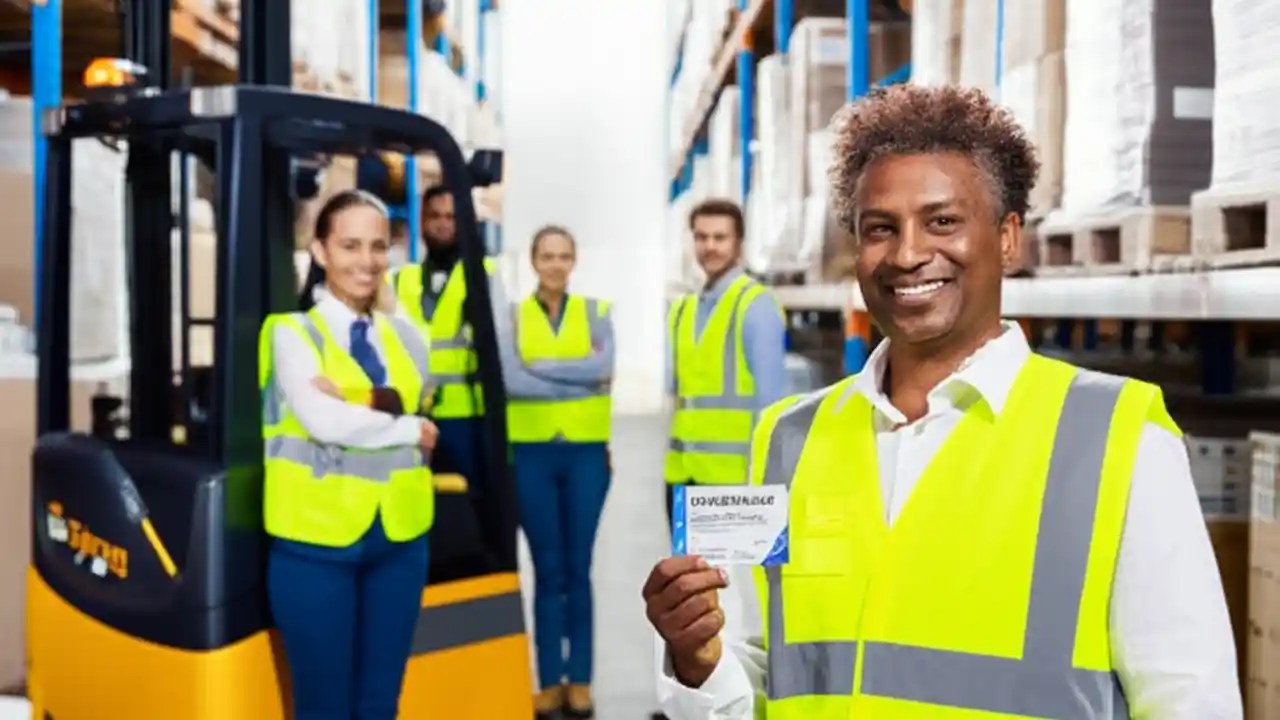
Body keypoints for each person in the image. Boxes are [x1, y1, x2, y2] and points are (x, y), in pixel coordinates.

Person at [643, 85, 1242, 718]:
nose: (907, 254)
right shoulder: (787, 440)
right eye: (880, 228)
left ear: (1008, 238)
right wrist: (698, 662)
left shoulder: (1117, 439)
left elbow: (1192, 699)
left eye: (943, 221)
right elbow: (756, 680)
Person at [260, 189, 440, 720]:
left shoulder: (402, 336)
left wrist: (367, 401)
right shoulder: (291, 333)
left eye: (379, 246)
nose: (367, 261)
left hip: (400, 539)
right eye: (350, 245)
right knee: (324, 707)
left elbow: (419, 389)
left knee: (380, 703)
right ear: (319, 251)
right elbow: (324, 421)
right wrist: (406, 426)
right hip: (316, 544)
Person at [506, 225, 615, 719]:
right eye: (546, 255)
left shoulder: (597, 313)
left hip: (587, 456)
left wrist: (539, 369)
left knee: (579, 569)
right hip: (530, 455)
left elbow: (605, 368)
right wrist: (576, 374)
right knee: (547, 572)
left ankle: (582, 680)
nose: (555, 264)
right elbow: (511, 379)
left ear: (574, 261)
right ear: (533, 261)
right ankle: (549, 680)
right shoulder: (512, 317)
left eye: (563, 256)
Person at [664, 198, 786, 523]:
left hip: (734, 484)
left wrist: (765, 484)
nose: (710, 246)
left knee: (728, 577)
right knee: (686, 573)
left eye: (720, 238)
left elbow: (772, 404)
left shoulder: (755, 305)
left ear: (738, 245)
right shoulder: (682, 310)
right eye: (701, 237)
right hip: (683, 476)